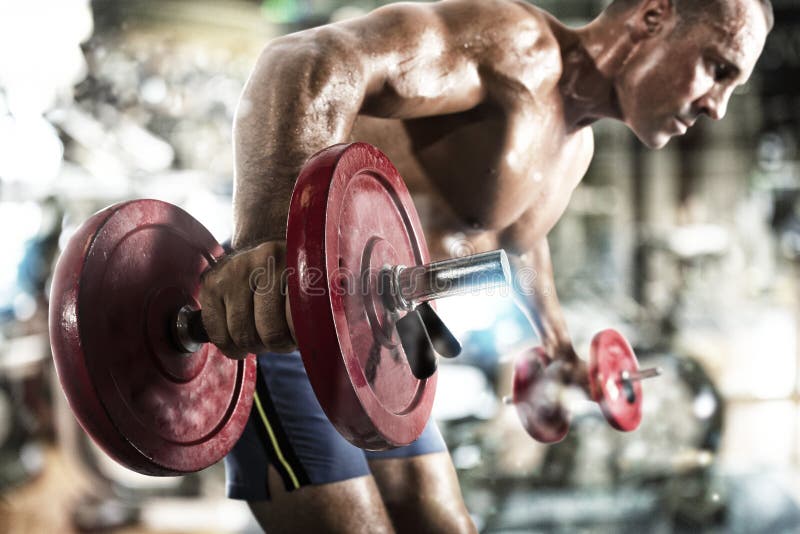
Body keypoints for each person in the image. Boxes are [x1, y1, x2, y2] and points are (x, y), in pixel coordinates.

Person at [198, 0, 772, 531]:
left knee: (449, 526)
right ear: (652, 17)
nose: (717, 108)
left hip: (394, 339)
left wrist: (557, 346)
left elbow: (519, 245)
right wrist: (272, 242)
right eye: (717, 68)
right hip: (297, 322)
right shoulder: (516, 47)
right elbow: (306, 58)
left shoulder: (577, 148)